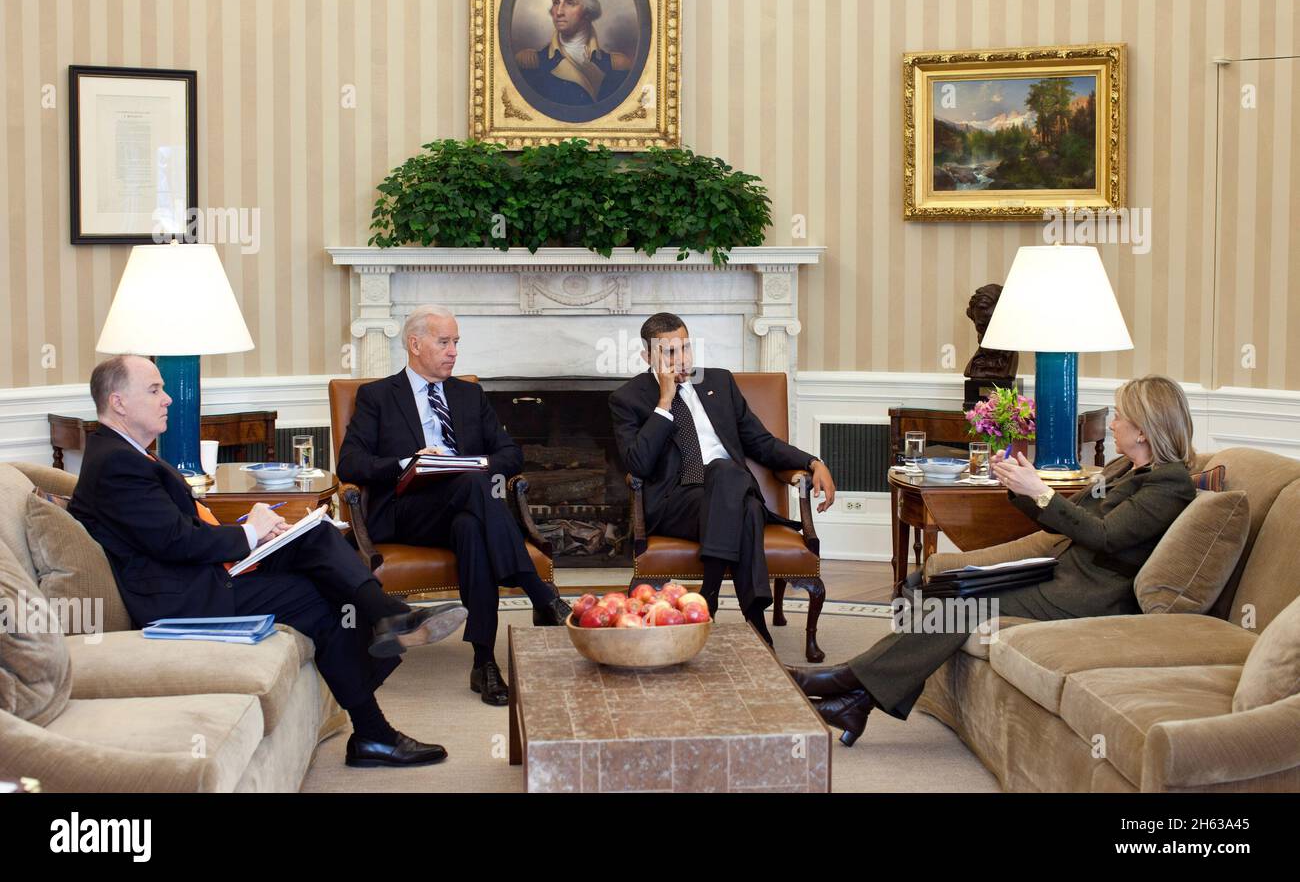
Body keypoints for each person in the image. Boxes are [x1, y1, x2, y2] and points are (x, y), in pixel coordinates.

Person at [69, 355, 464, 768]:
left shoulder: (128, 454)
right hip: (180, 599)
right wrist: (249, 533)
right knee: (316, 596)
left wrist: (260, 533)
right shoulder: (116, 462)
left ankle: (387, 619)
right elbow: (174, 541)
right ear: (118, 402)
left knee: (314, 534)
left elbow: (174, 534)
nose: (168, 398)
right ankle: (374, 726)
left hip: (194, 577)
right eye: (154, 390)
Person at [790, 374, 1198, 746]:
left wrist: (1041, 492)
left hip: (1092, 594)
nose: (1113, 424)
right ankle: (856, 700)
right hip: (1065, 574)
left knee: (963, 606)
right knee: (945, 589)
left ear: (1144, 430)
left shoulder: (1169, 485)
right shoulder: (1125, 467)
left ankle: (848, 681)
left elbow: (1105, 536)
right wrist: (1021, 486)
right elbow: (1072, 519)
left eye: (1121, 418)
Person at [337, 306, 571, 707]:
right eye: (443, 342)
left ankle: (484, 662)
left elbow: (510, 454)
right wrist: (407, 463)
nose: (453, 352)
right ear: (415, 344)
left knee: (470, 526)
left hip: (465, 507)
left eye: (456, 342)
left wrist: (475, 464)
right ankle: (539, 592)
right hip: (406, 510)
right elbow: (350, 463)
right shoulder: (377, 397)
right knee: (474, 489)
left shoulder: (468, 394)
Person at [608, 312, 837, 645]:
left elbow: (761, 442)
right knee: (741, 499)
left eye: (685, 348)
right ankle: (748, 617)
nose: (681, 359)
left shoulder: (719, 382)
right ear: (648, 357)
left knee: (729, 478)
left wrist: (813, 462)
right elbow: (638, 465)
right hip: (676, 503)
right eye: (669, 353)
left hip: (728, 491)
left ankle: (712, 597)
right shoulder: (628, 399)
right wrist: (664, 401)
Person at [514, 0, 631, 105]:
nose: (559, 12)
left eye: (570, 3)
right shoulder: (530, 64)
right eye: (556, 2)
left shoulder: (617, 66)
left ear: (588, 10)